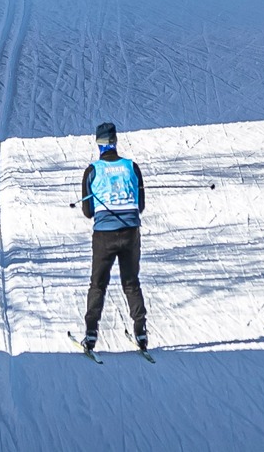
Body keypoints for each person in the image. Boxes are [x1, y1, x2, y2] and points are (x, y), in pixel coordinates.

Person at [78, 122, 147, 355]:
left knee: (98, 284)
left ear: (98, 144)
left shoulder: (92, 170)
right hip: (130, 232)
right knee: (131, 282)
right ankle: (141, 332)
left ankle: (90, 334)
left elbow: (88, 212)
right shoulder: (132, 167)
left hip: (104, 236)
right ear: (115, 141)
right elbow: (140, 206)